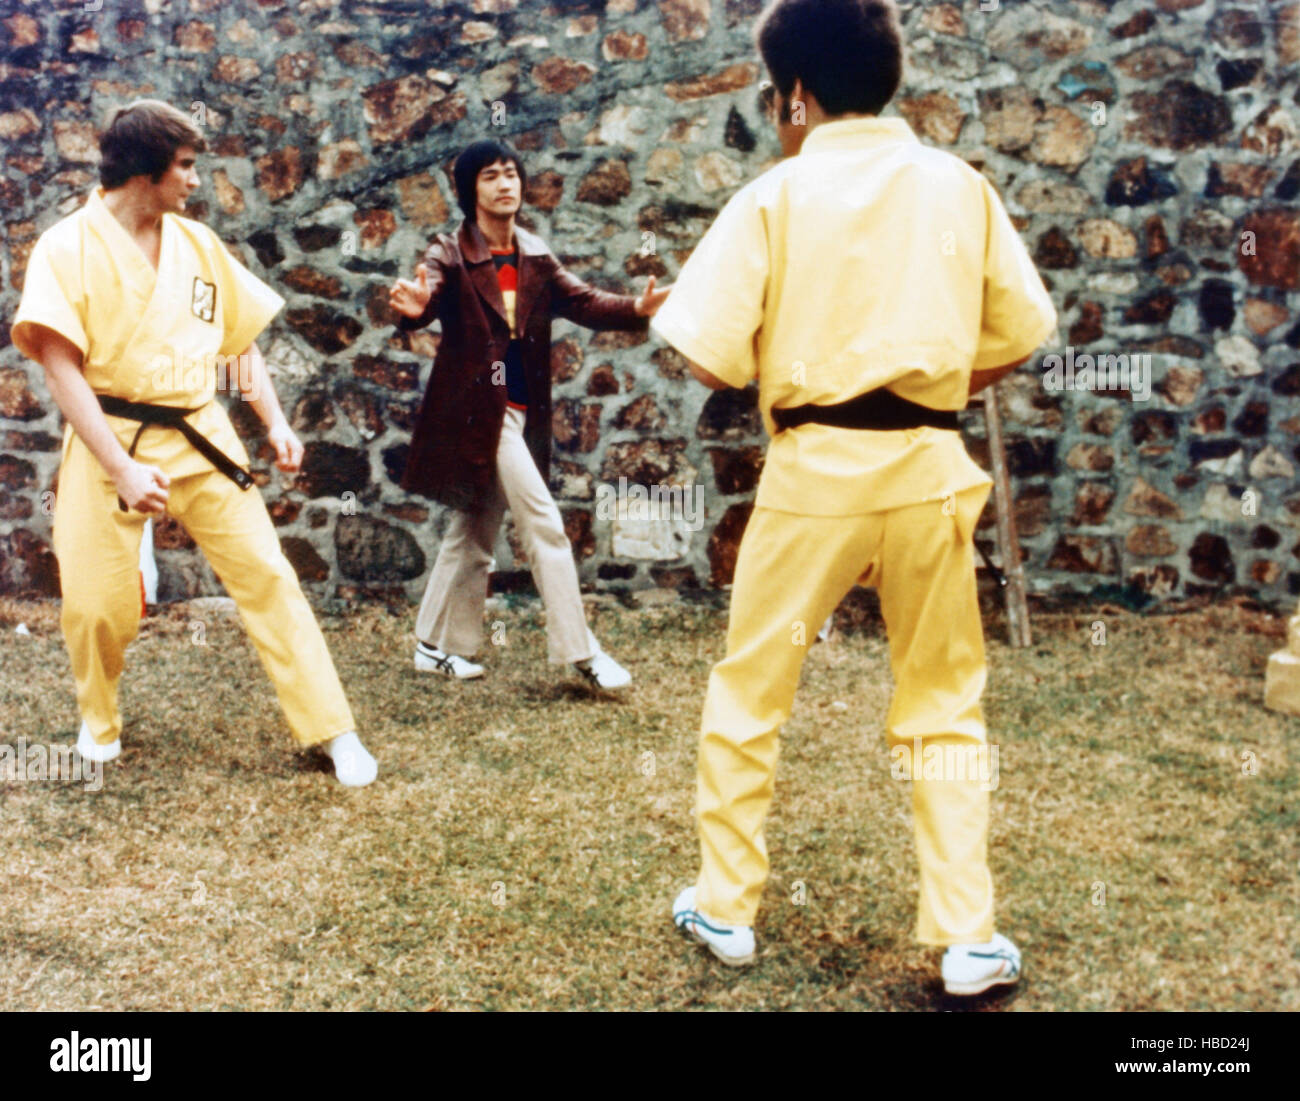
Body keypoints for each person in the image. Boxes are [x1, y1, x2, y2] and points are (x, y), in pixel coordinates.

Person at [651, 0, 1057, 994]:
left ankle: (726, 903)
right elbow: (1019, 329)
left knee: (752, 691)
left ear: (795, 93)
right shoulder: (959, 187)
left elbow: (704, 356)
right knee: (943, 703)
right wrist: (934, 377)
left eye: (770, 96)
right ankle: (967, 935)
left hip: (813, 475)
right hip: (926, 466)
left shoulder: (773, 198)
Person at [10, 100, 377, 787]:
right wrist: (119, 467)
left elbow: (238, 344)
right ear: (147, 170)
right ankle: (99, 718)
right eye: (185, 166)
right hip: (107, 436)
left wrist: (275, 422)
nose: (196, 180)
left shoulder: (198, 246)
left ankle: (332, 727)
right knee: (96, 602)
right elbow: (60, 368)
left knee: (268, 574)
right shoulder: (67, 247)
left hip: (198, 431)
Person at [389, 140, 670, 690]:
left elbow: (584, 300)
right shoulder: (448, 252)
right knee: (544, 523)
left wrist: (635, 308)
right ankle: (582, 654)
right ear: (470, 191)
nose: (505, 184)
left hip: (518, 411)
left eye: (512, 173)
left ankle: (433, 646)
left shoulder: (534, 253)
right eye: (491, 176)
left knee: (472, 527)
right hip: (478, 413)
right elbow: (428, 293)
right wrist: (418, 309)